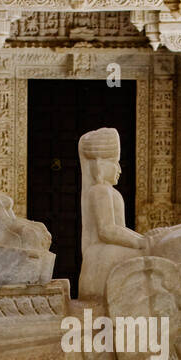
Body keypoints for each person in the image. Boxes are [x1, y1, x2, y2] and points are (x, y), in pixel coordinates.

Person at [77, 128, 146, 300]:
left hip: (111, 249)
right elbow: (107, 230)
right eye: (115, 163)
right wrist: (142, 242)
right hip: (103, 253)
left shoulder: (110, 191)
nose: (119, 169)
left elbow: (120, 229)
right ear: (100, 164)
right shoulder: (99, 190)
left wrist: (143, 239)